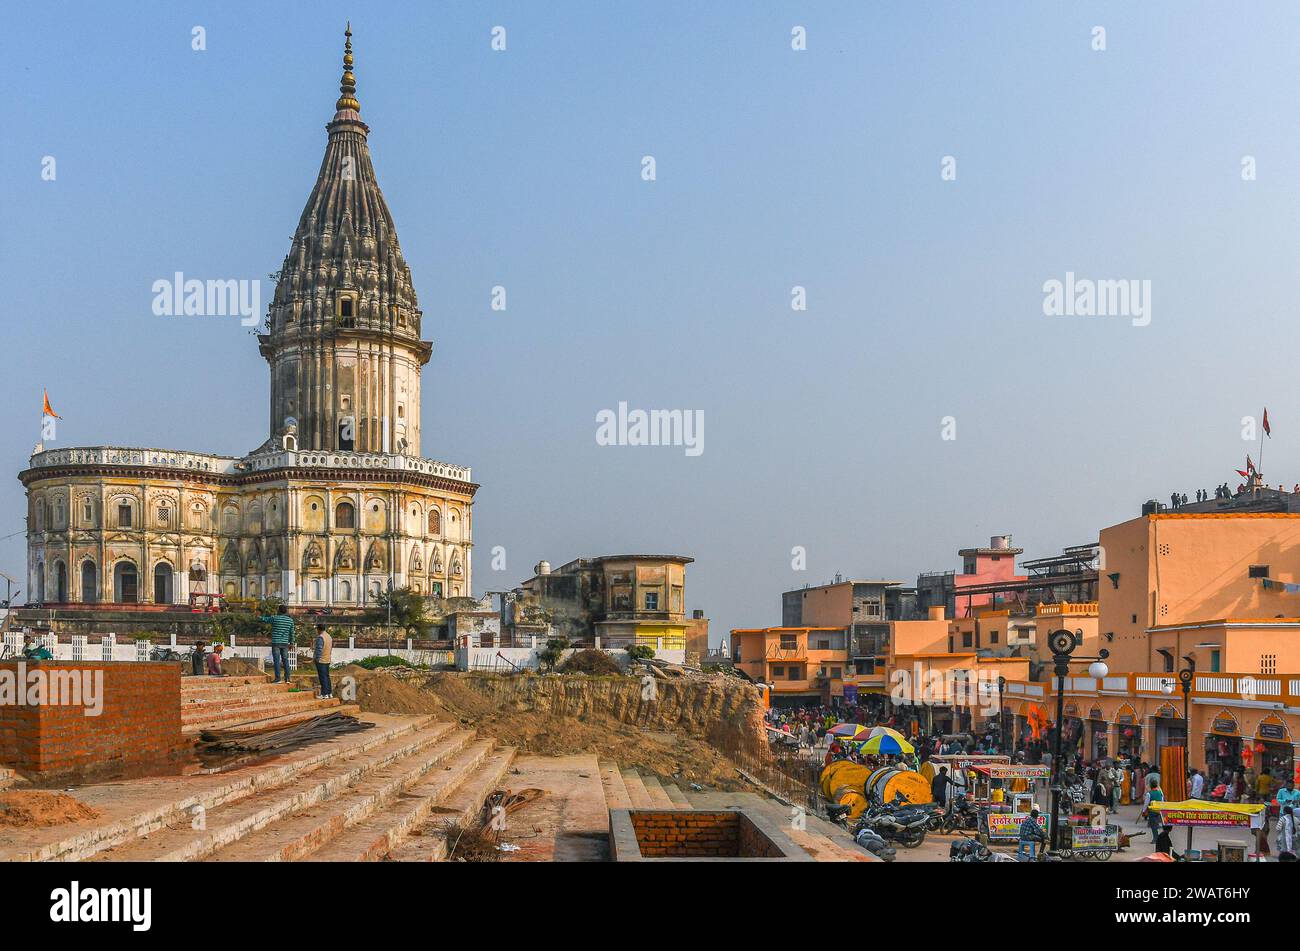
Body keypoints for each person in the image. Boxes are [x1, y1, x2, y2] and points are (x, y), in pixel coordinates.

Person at [260, 603, 296, 684]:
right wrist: (292, 643)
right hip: (285, 643)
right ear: (286, 611)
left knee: (276, 661)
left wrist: (258, 617)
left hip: (276, 642)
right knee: (285, 660)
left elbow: (265, 619)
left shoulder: (275, 618)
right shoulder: (290, 620)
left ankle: (278, 678)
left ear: (279, 610)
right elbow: (292, 633)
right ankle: (287, 679)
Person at [313, 624, 333, 699]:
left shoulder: (320, 637)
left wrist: (316, 659)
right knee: (327, 676)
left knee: (322, 677)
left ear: (318, 629)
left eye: (316, 629)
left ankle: (324, 694)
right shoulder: (329, 636)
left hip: (321, 660)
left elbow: (319, 650)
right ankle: (329, 693)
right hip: (327, 659)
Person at [1142, 775, 1166, 841]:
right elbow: (1162, 801)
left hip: (1152, 811)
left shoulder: (1149, 794)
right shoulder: (1160, 793)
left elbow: (1146, 804)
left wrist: (1143, 811)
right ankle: (1158, 838)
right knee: (1156, 824)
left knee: (1153, 826)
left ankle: (1155, 838)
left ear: (1150, 786)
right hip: (1159, 811)